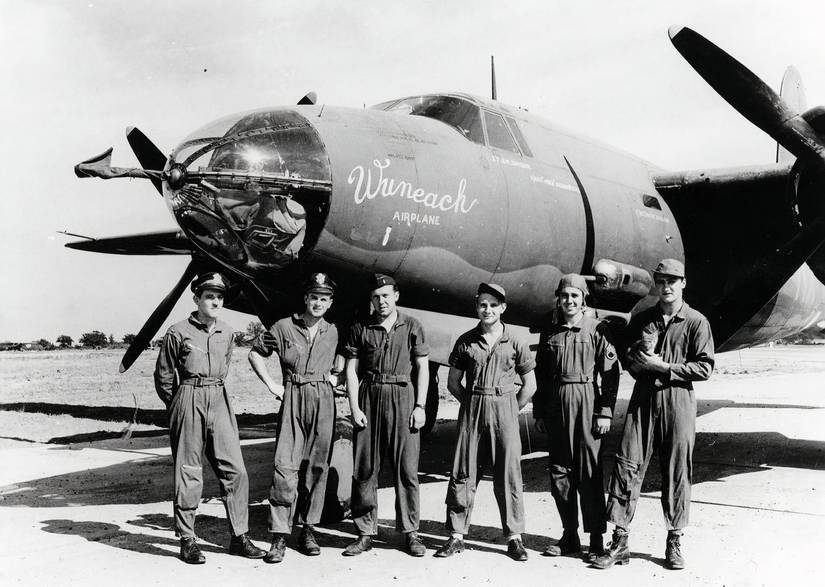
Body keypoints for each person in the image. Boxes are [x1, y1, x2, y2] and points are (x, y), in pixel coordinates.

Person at [593, 259, 714, 571]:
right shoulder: (644, 318)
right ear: (657, 283)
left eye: (673, 280)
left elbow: (704, 367)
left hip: (679, 400)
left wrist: (666, 368)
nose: (667, 286)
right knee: (627, 463)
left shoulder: (696, 322)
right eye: (662, 281)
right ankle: (620, 541)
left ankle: (674, 541)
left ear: (683, 283)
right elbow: (629, 358)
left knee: (677, 469)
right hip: (645, 397)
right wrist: (638, 363)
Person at [153, 272, 266, 564]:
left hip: (219, 397)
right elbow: (164, 376)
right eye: (209, 296)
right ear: (197, 299)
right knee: (189, 471)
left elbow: (226, 363)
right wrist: (177, 404)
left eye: (219, 297)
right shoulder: (177, 332)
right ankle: (187, 539)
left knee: (236, 470)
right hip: (189, 397)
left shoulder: (227, 331)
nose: (215, 301)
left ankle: (239, 536)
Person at [434, 283, 537, 561]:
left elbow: (530, 385)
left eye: (493, 305)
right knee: (463, 473)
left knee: (508, 475)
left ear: (503, 308)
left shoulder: (515, 342)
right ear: (477, 307)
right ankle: (456, 536)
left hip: (505, 408)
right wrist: (471, 403)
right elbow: (454, 382)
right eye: (483, 305)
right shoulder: (466, 341)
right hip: (473, 407)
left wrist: (511, 409)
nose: (487, 309)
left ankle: (514, 538)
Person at [248, 272, 343, 563]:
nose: (318, 303)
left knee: (317, 468)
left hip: (323, 399)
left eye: (324, 299)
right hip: (293, 395)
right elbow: (255, 354)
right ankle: (279, 536)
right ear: (306, 298)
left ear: (329, 303)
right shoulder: (283, 326)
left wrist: (337, 375)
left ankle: (309, 529)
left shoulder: (333, 330)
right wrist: (273, 385)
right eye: (314, 297)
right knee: (284, 467)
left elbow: (343, 358)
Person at [532, 274, 619, 561]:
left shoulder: (597, 329)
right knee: (559, 472)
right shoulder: (550, 331)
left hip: (585, 399)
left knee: (589, 473)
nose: (569, 301)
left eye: (575, 296)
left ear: (584, 300)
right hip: (557, 403)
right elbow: (542, 374)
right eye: (565, 296)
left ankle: (595, 539)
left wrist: (605, 411)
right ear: (558, 298)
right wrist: (540, 410)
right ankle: (569, 535)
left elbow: (610, 374)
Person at [342, 274, 430, 557]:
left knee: (406, 469)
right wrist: (354, 408)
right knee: (365, 467)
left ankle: (410, 532)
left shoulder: (412, 326)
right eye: (376, 297)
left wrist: (420, 406)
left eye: (386, 296)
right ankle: (365, 531)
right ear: (372, 299)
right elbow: (351, 372)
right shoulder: (360, 328)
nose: (382, 301)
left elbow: (423, 368)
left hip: (403, 395)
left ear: (396, 296)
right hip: (369, 394)